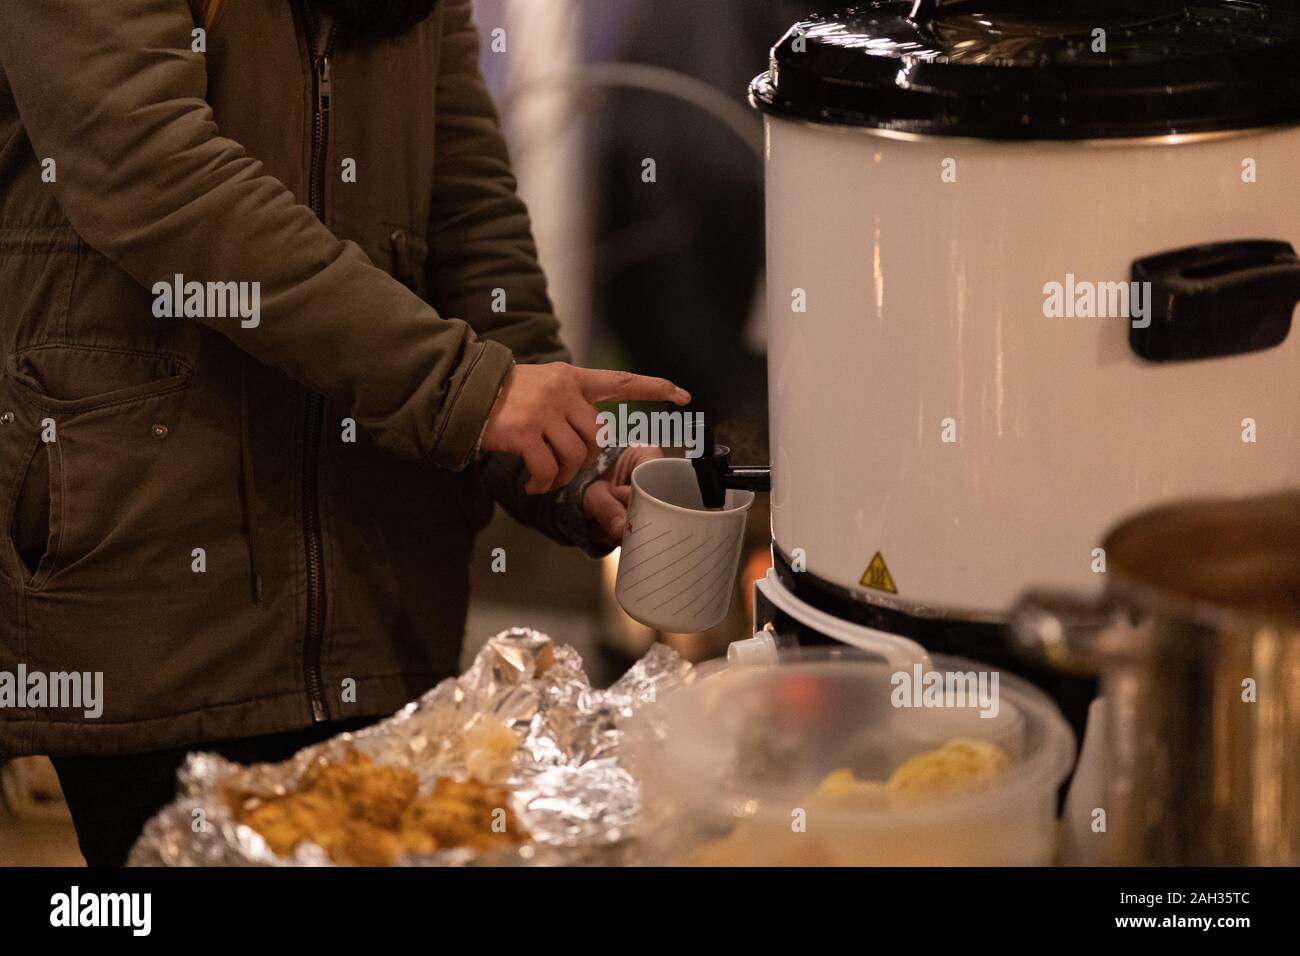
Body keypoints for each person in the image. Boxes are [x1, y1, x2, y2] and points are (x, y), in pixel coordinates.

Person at [0, 0, 685, 865]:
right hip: (151, 582)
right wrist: (467, 389)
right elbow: (152, 172)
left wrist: (568, 453)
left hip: (382, 597)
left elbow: (473, 228)